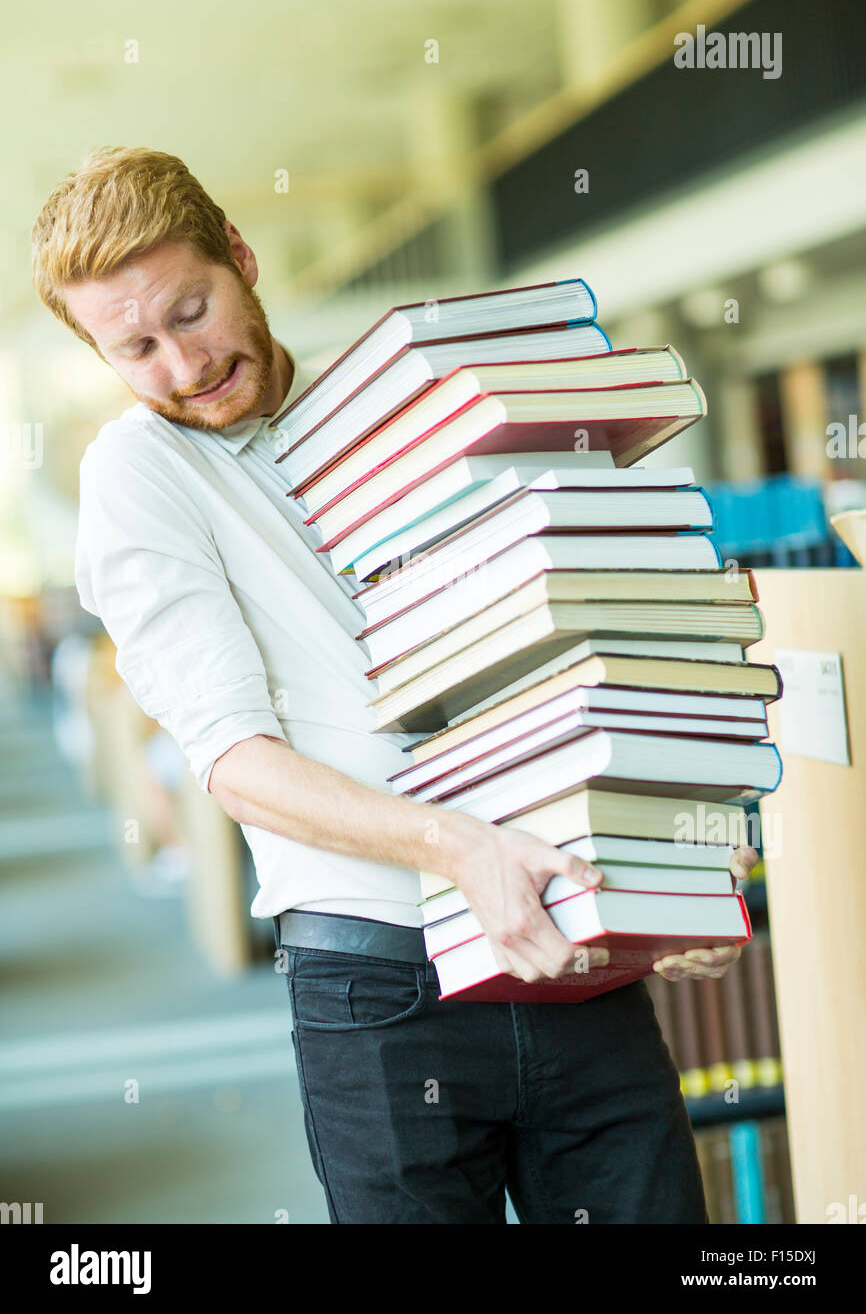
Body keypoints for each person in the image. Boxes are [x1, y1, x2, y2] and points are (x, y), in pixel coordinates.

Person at [31, 146, 756, 1224]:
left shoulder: (393, 413)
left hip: (560, 945)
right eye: (134, 347)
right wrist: (454, 847)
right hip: (379, 987)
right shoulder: (140, 473)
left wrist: (657, 865)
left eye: (192, 311)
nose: (182, 366)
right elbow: (236, 763)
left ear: (241, 254)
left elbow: (556, 655)